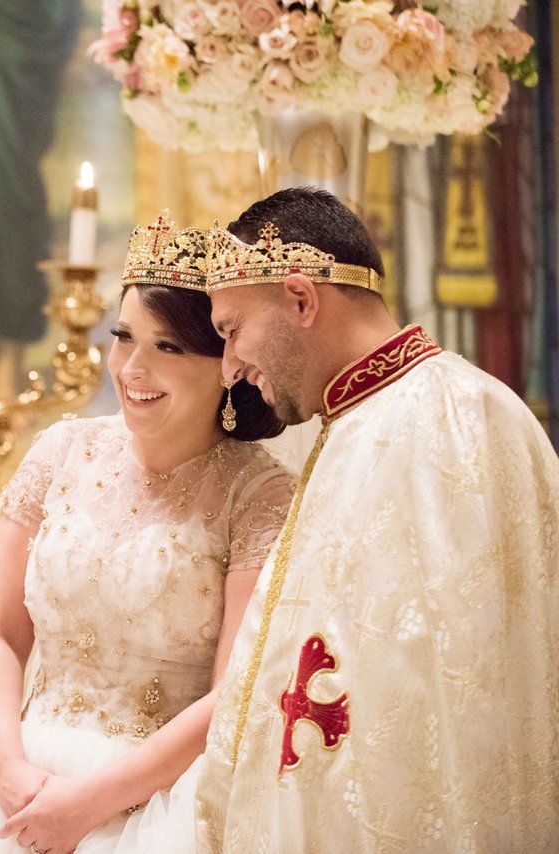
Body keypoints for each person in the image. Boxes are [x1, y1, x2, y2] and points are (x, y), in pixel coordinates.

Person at [0, 214, 293, 854]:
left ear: (228, 365)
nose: (132, 369)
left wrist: (87, 806)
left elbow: (231, 695)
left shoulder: (258, 496)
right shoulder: (59, 452)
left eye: (168, 347)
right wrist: (7, 772)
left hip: (163, 803)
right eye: (124, 337)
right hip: (19, 780)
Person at [193, 187, 559, 851]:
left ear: (301, 299)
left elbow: (468, 703)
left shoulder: (460, 418)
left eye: (231, 331)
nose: (231, 369)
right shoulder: (355, 422)